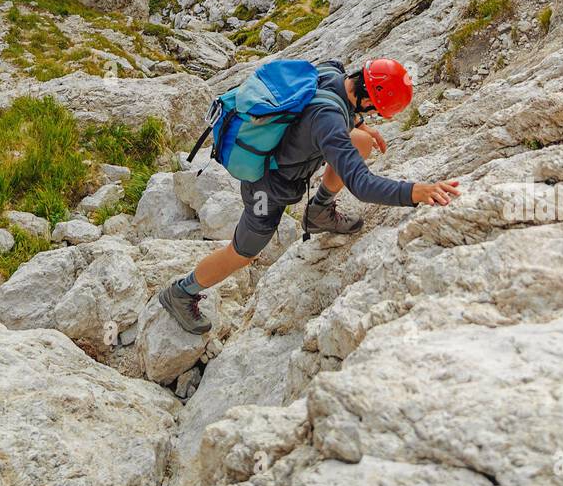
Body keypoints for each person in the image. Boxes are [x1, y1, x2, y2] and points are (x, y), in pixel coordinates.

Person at [158, 57, 461, 333]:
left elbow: (327, 92)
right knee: (244, 253)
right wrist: (415, 192)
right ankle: (181, 292)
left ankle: (319, 212)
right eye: (375, 110)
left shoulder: (334, 73)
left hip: (295, 150)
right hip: (267, 185)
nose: (375, 115)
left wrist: (359, 123)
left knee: (360, 143)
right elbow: (362, 183)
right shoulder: (328, 121)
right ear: (367, 98)